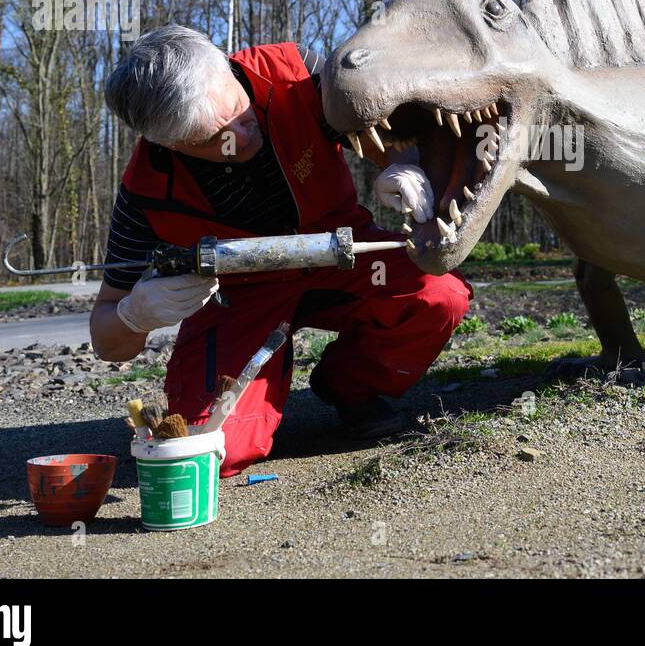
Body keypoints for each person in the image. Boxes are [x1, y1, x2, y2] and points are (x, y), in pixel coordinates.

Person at [89, 25, 471, 476]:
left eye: (241, 113)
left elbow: (394, 133)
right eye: (212, 141)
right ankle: (261, 387)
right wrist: (135, 314)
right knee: (212, 449)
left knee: (439, 295)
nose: (241, 138)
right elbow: (106, 337)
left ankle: (351, 386)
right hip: (241, 296)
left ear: (227, 66)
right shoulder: (148, 191)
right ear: (167, 144)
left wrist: (405, 167)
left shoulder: (296, 75)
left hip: (343, 252)